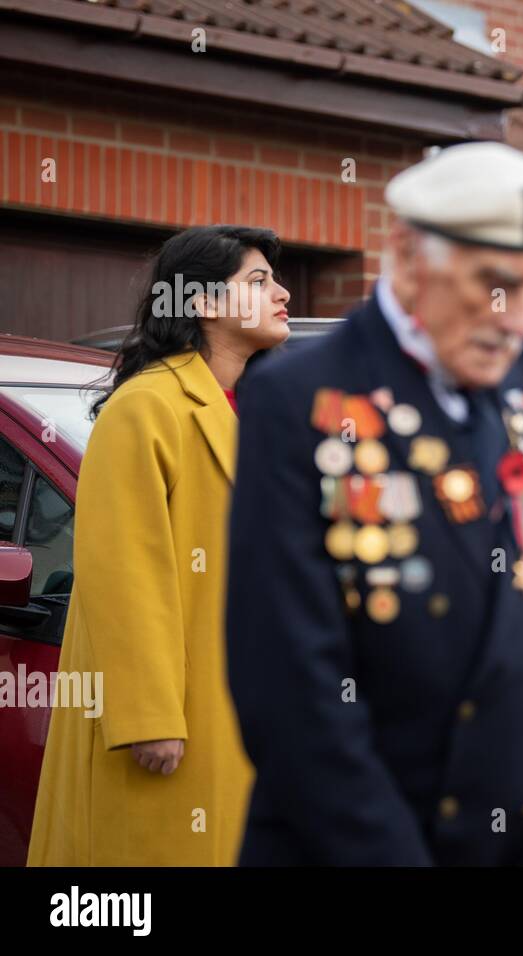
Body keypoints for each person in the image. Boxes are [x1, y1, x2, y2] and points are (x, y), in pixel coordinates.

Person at [224, 142, 523, 866]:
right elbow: (289, 685)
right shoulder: (301, 397)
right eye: (493, 282)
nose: (516, 317)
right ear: (408, 254)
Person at [27, 224, 291, 866]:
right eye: (258, 282)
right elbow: (124, 572)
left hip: (244, 714)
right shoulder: (146, 408)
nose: (282, 293)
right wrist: (149, 716)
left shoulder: (253, 409)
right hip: (176, 721)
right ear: (201, 303)